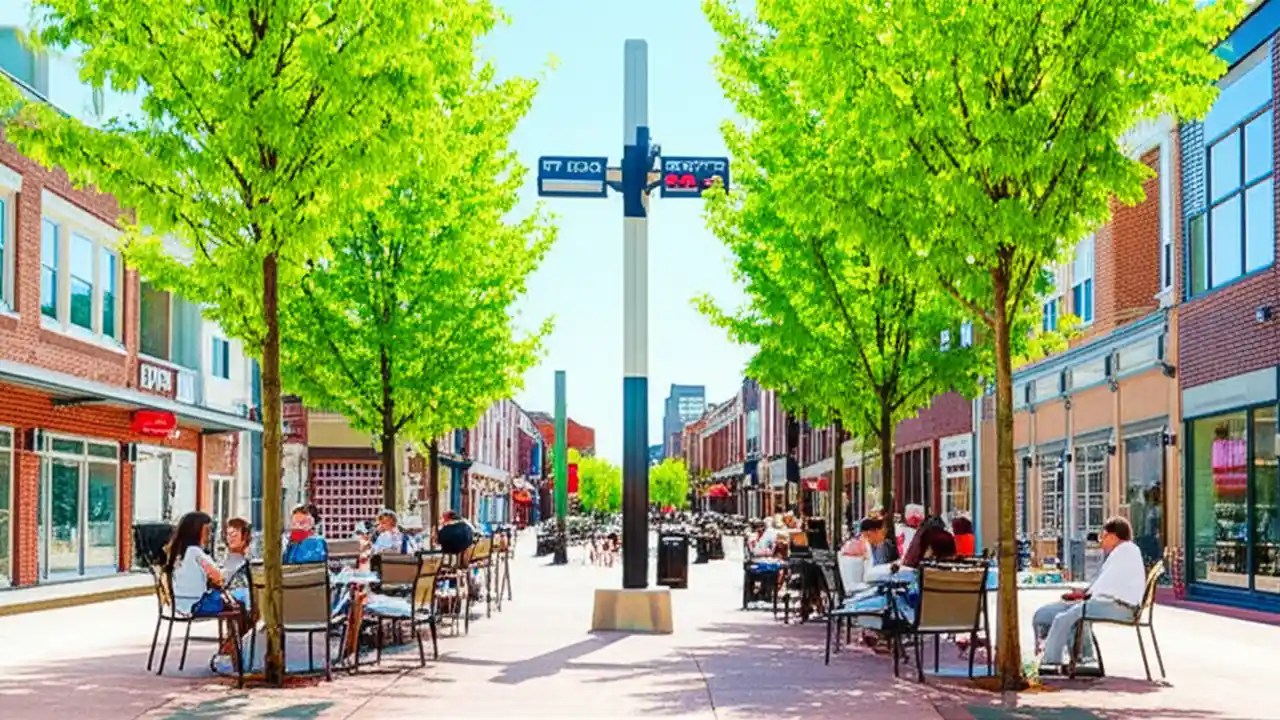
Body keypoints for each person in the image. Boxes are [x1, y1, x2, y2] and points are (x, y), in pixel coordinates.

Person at [1034, 516, 1147, 669]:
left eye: (1104, 536)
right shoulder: (1124, 552)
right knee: (1043, 614)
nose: (1101, 541)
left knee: (1065, 617)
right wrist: (1084, 594)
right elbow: (1107, 584)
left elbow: (1104, 588)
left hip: (1120, 607)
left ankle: (1050, 662)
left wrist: (1084, 595)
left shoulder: (1126, 552)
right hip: (1112, 603)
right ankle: (1077, 657)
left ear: (1113, 536)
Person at [167, 511, 248, 617]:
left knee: (235, 597)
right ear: (197, 532)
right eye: (207, 531)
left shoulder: (179, 553)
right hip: (198, 605)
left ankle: (238, 631)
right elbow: (220, 578)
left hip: (179, 604)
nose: (210, 536)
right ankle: (250, 631)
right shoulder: (196, 552)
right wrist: (235, 563)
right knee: (245, 595)